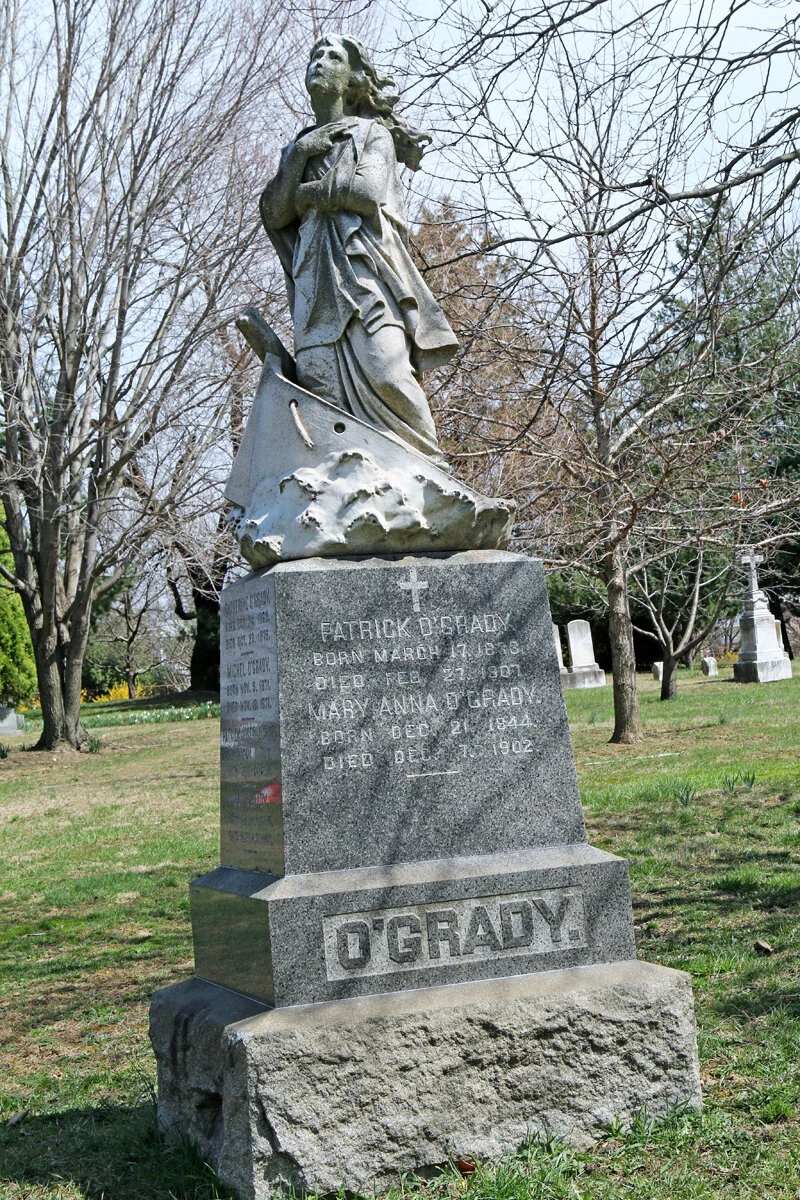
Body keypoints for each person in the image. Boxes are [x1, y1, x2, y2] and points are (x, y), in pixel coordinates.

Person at [259, 34, 458, 462]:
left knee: (387, 371)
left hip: (365, 270)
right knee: (320, 387)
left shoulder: (372, 134)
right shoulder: (296, 148)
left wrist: (305, 193)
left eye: (333, 56)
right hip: (315, 280)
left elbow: (366, 192)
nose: (321, 61)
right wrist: (297, 160)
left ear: (352, 79)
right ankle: (339, 482)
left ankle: (431, 473)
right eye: (315, 54)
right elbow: (275, 214)